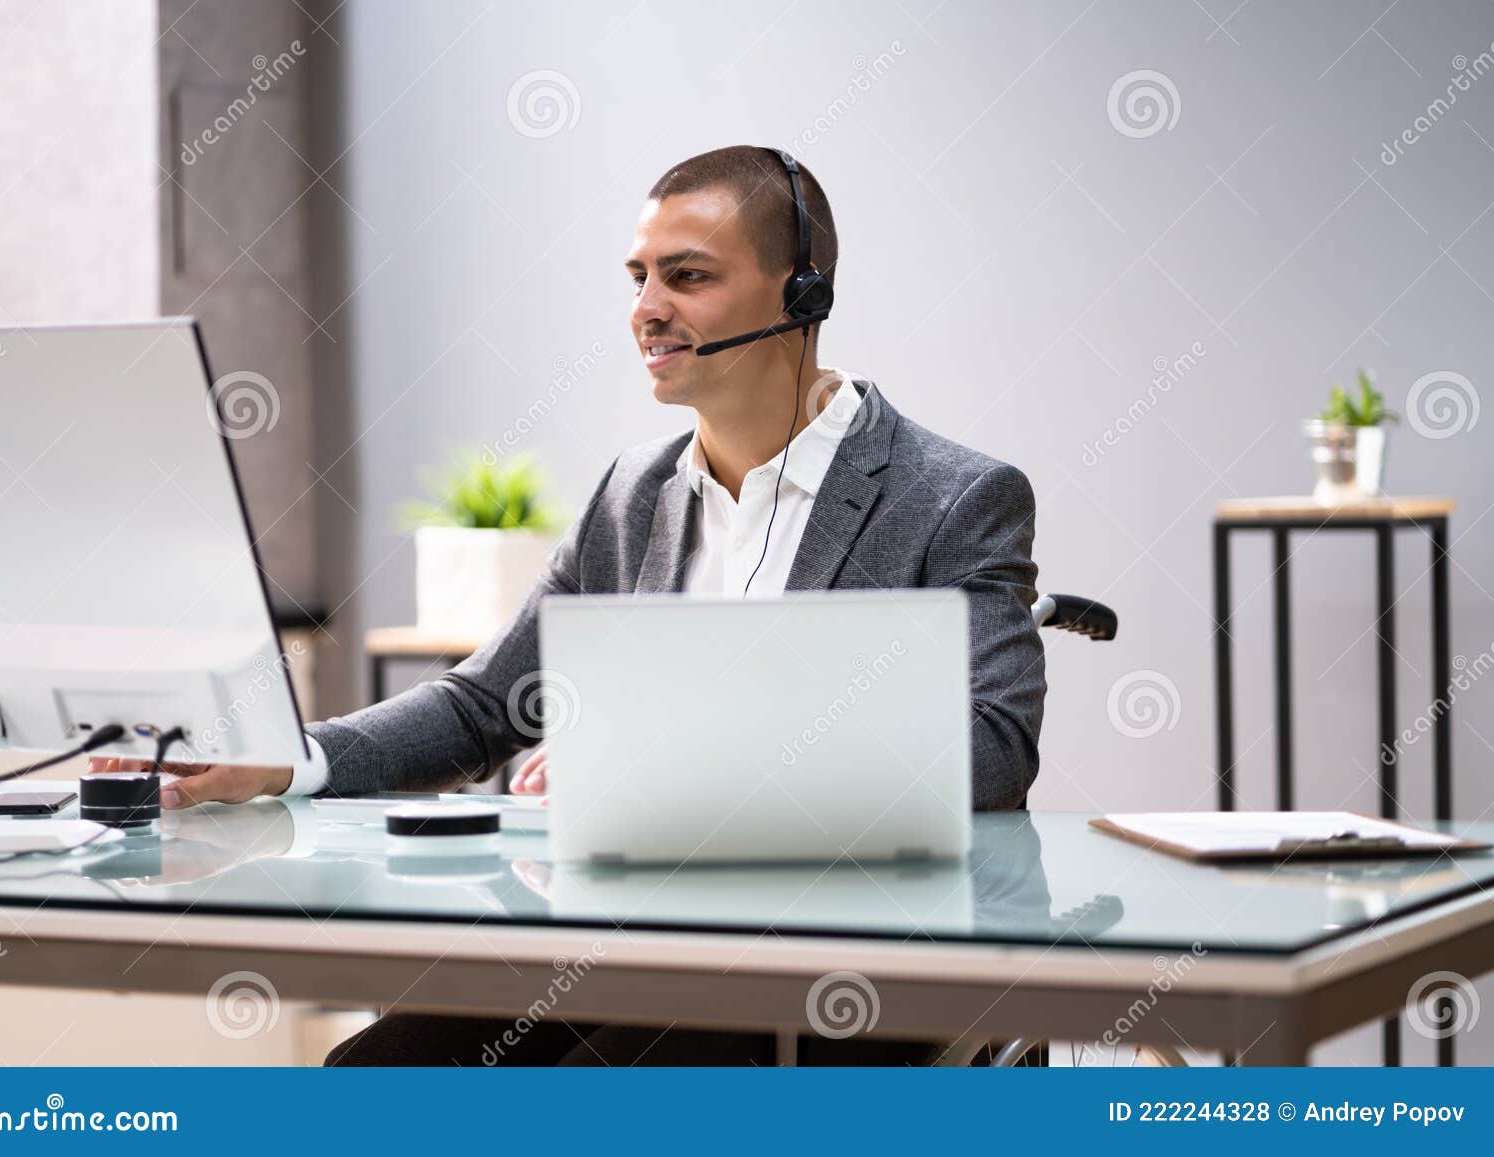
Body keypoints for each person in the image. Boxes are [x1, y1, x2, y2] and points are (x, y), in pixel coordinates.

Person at [94, 145, 1048, 1065]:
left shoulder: (952, 495)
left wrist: (675, 758)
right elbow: (480, 706)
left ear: (802, 295)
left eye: (687, 277)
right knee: (378, 1078)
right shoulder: (630, 497)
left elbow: (995, 750)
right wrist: (287, 760)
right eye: (637, 277)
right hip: (623, 942)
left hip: (837, 965)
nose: (646, 310)